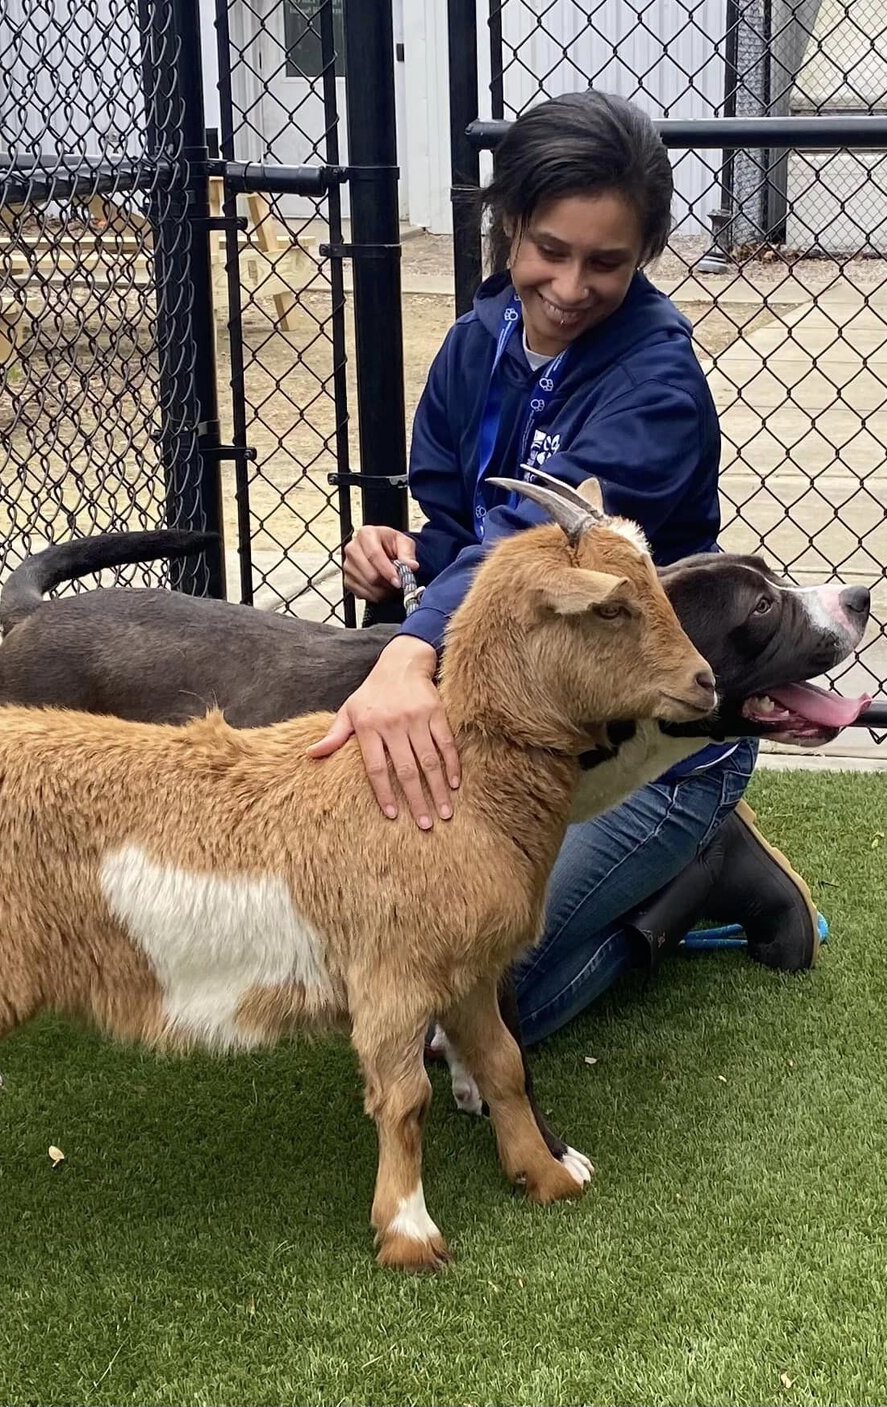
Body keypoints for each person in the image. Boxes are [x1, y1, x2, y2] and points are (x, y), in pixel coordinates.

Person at [309, 90, 819, 1048]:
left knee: (467, 1018)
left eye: (607, 262)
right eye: (550, 248)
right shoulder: (475, 342)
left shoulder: (656, 385)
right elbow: (465, 526)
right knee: (392, 964)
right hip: (525, 729)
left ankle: (705, 858)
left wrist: (407, 654)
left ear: (645, 257)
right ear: (508, 227)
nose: (572, 284)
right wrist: (404, 552)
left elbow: (525, 548)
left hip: (649, 750)